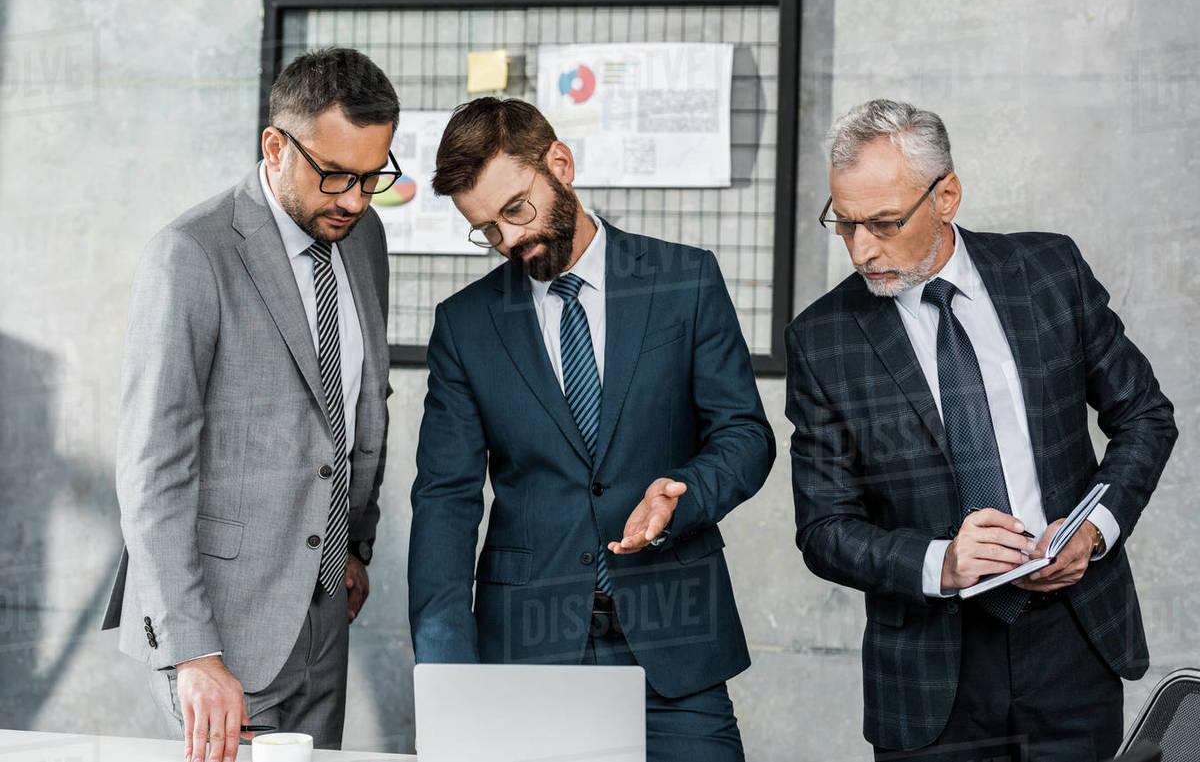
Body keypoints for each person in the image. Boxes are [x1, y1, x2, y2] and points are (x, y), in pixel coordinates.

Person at [786, 99, 1177, 761]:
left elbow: (1145, 414)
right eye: (844, 224)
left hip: (1075, 643)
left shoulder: (1051, 272)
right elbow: (825, 529)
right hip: (930, 672)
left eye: (882, 222)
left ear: (946, 196)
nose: (861, 249)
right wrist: (944, 560)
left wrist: (1094, 529)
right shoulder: (822, 338)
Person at [407, 97, 774, 761]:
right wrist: (444, 674)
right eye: (487, 230)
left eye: (516, 209)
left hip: (675, 642)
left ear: (561, 165)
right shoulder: (465, 325)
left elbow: (745, 434)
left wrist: (685, 490)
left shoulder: (684, 280)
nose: (510, 240)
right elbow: (445, 501)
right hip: (525, 652)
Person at [104, 47, 398, 757]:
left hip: (326, 612)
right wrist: (191, 652)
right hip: (222, 630)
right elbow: (153, 468)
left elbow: (356, 407)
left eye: (371, 177)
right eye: (335, 176)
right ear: (275, 146)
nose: (355, 200)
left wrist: (351, 544)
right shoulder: (191, 254)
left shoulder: (365, 240)